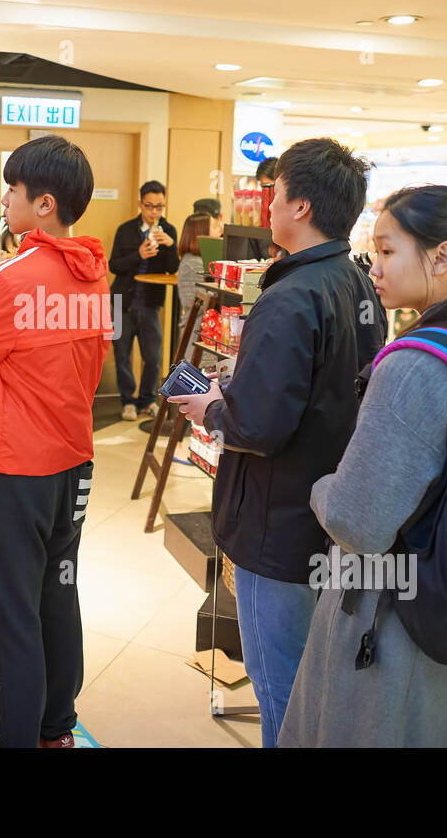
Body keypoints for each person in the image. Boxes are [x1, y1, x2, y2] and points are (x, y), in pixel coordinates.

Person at [279, 184, 447, 747]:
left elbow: (360, 521)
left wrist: (324, 485)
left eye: (387, 251)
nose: (374, 267)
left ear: (443, 256)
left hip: (392, 628)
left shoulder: (415, 366)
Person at [168, 138, 386, 747]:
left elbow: (260, 428)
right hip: (329, 518)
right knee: (318, 690)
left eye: (276, 190)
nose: (267, 202)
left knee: (283, 694)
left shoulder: (290, 296)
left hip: (278, 525)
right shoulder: (357, 283)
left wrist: (213, 406)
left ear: (302, 206)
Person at [0, 135, 111, 749]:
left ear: (45, 203)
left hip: (12, 471)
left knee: (9, 613)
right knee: (57, 595)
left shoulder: (11, 278)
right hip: (74, 464)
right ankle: (56, 729)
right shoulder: (93, 278)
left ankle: (16, 740)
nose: (5, 198)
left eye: (13, 188)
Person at [107, 180, 179, 420]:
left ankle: (147, 400)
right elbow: (114, 265)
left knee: (153, 356)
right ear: (141, 204)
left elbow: (172, 269)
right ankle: (128, 400)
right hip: (121, 302)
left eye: (159, 207)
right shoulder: (125, 229)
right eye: (150, 206)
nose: (154, 212)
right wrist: (138, 255)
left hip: (150, 304)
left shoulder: (168, 230)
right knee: (122, 354)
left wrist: (171, 246)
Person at [176, 213, 213, 329]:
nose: (220, 229)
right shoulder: (192, 263)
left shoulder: (197, 260)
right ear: (202, 232)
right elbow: (194, 302)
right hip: (194, 329)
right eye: (215, 226)